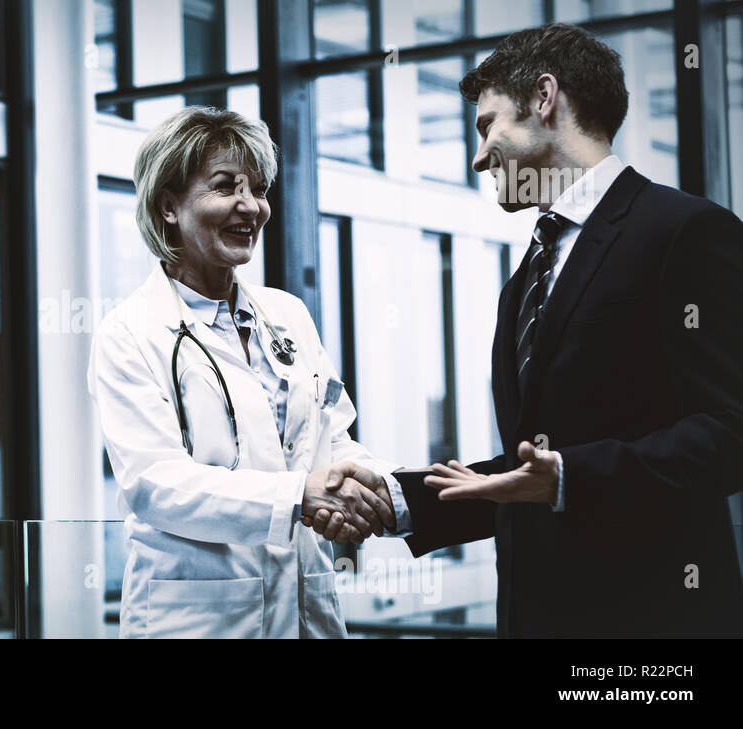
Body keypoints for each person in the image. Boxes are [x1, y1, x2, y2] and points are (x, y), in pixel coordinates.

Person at [313, 24, 743, 637]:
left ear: (545, 99)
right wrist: (398, 498)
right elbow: (530, 471)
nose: (479, 156)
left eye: (488, 125)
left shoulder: (686, 233)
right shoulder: (527, 278)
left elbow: (730, 432)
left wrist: (569, 476)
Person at [87, 106, 411, 639]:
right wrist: (300, 496)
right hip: (198, 622)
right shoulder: (129, 334)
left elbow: (330, 444)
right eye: (225, 187)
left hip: (307, 610)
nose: (252, 207)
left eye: (258, 189)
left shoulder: (288, 316)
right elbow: (157, 484)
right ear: (169, 206)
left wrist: (380, 488)